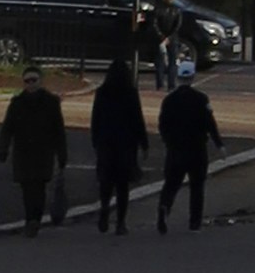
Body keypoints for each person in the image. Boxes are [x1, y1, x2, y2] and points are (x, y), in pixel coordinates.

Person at [0, 70, 68, 235]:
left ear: (40, 81)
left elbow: (59, 130)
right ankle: (30, 219)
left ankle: (35, 218)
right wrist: (3, 148)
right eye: (27, 81)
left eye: (33, 80)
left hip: (43, 151)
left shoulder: (51, 102)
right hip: (23, 151)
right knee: (27, 187)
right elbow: (8, 127)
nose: (30, 84)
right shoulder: (17, 103)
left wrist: (62, 154)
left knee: (39, 186)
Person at [155, 54, 219, 234]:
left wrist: (167, 140)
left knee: (171, 183)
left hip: (175, 148)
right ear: (192, 77)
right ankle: (194, 222)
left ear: (178, 77)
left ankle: (164, 206)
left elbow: (162, 124)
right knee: (197, 186)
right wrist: (218, 143)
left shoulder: (169, 100)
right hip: (197, 148)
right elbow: (209, 122)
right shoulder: (201, 99)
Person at [88, 49, 148, 235]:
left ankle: (104, 209)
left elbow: (95, 118)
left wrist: (96, 140)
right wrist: (143, 143)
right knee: (123, 186)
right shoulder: (130, 93)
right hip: (126, 144)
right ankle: (120, 222)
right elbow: (137, 119)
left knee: (106, 183)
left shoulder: (102, 93)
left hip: (106, 142)